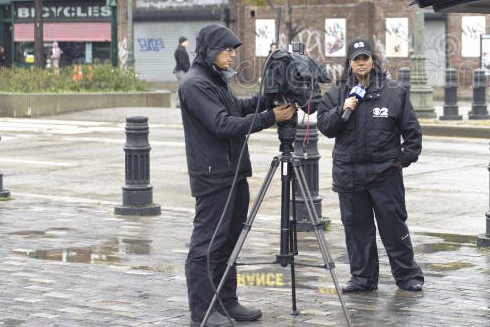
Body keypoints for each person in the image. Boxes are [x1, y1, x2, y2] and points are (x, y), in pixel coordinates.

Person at [178, 24, 295, 327]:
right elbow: (222, 124)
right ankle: (202, 311)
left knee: (230, 241)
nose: (232, 55)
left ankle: (227, 302)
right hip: (213, 175)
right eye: (227, 49)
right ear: (210, 51)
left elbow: (238, 108)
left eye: (233, 50)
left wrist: (266, 99)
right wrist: (271, 118)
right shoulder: (195, 83)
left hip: (233, 172)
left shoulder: (215, 80)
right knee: (207, 244)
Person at [317, 37, 424, 293]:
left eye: (365, 58)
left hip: (384, 175)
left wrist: (400, 161)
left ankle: (408, 276)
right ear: (349, 63)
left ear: (372, 60)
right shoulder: (337, 93)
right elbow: (325, 126)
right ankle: (362, 279)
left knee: (393, 227)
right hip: (349, 176)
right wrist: (342, 109)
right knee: (357, 230)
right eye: (356, 59)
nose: (361, 62)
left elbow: (413, 134)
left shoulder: (393, 92)